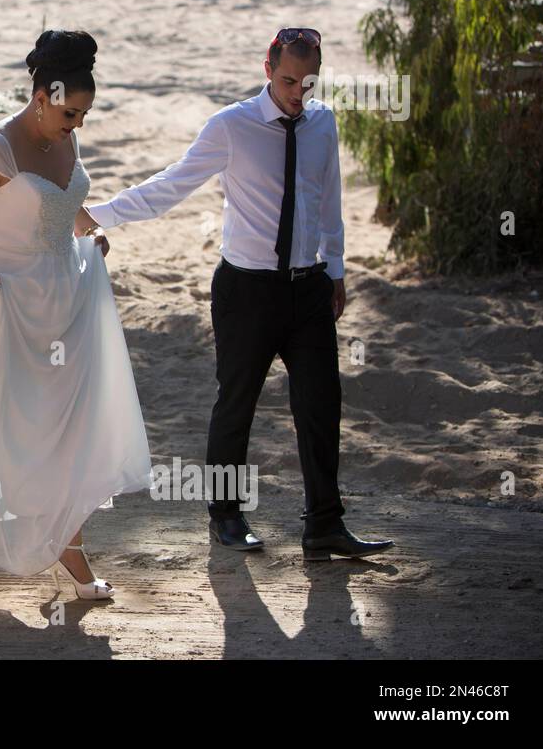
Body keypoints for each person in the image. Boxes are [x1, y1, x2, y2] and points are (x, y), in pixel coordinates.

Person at [83, 28, 393, 561]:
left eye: (309, 81)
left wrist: (336, 271)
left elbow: (329, 200)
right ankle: (226, 516)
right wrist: (97, 215)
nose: (299, 92)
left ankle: (324, 525)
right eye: (290, 80)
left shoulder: (323, 123)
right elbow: (172, 184)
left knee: (321, 407)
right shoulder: (231, 126)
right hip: (247, 290)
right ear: (268, 69)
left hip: (309, 288)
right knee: (237, 404)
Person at [0, 29, 153, 599]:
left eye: (84, 115)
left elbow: (61, 199)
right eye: (70, 113)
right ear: (41, 97)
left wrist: (86, 230)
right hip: (6, 306)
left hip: (67, 301)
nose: (78, 125)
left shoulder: (62, 136)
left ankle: (68, 547)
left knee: (68, 431)